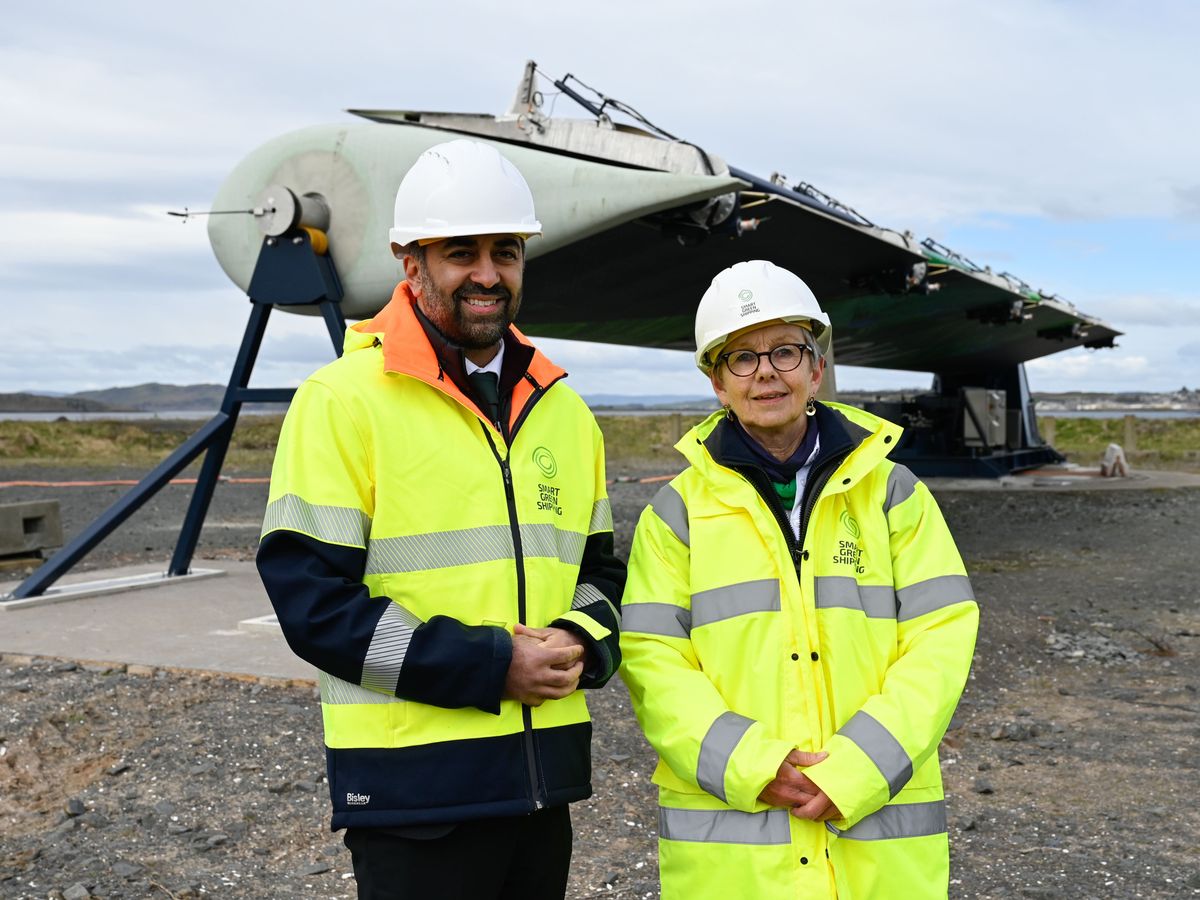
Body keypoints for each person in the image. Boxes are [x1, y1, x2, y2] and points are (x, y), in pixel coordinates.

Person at [257, 139, 625, 900]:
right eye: (462, 251)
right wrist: (493, 665)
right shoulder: (341, 403)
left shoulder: (565, 412)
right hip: (413, 798)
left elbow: (603, 575)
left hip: (541, 789)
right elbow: (315, 606)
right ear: (411, 262)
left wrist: (584, 645)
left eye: (507, 252)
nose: (488, 274)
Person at [619, 260, 978, 899]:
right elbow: (652, 660)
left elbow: (942, 637)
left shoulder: (894, 495)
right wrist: (753, 765)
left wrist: (860, 767)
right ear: (715, 381)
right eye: (741, 358)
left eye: (786, 351)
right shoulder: (674, 514)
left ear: (816, 370)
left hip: (878, 851)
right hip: (734, 865)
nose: (766, 373)